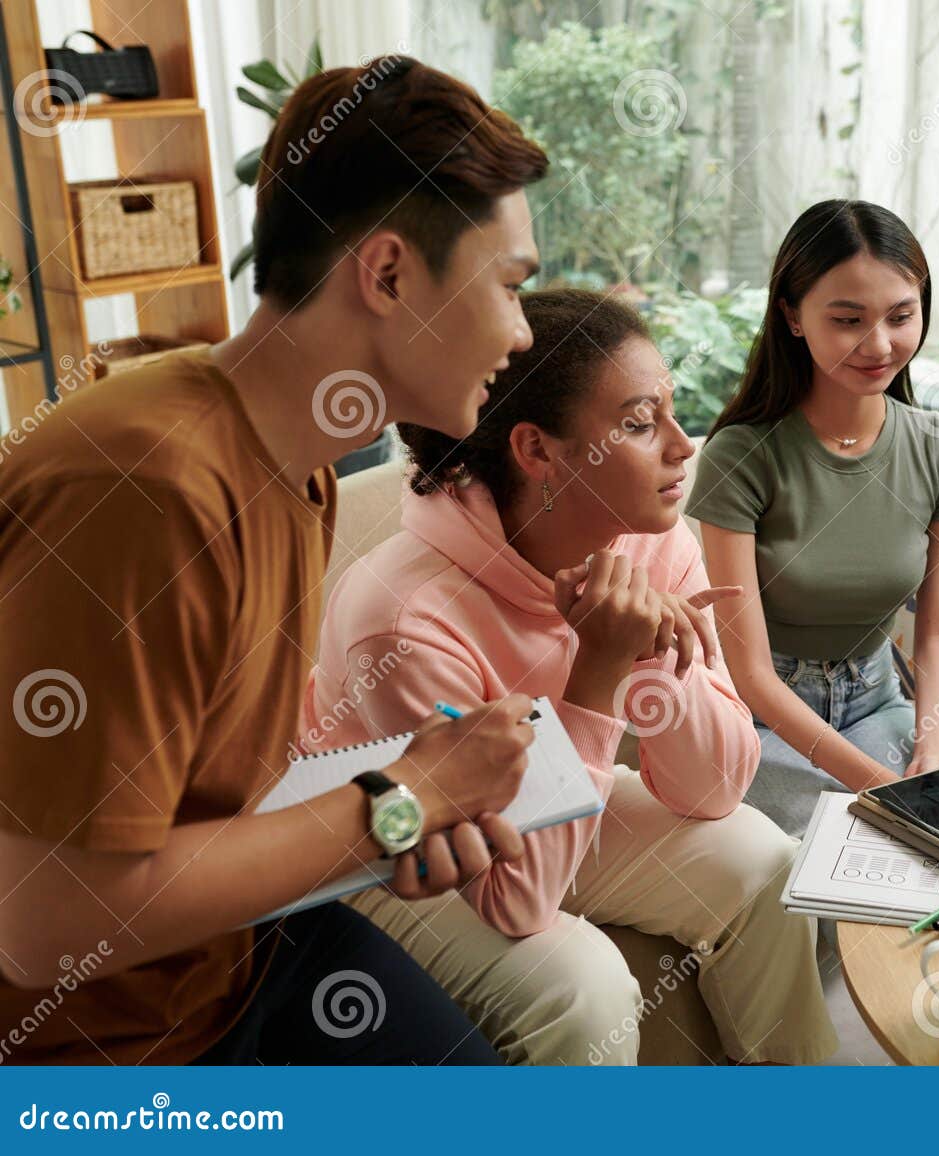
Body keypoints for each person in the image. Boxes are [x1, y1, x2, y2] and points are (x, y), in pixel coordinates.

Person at [0, 58, 550, 1064]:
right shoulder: (145, 492)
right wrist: (402, 800)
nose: (521, 333)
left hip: (239, 958)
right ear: (388, 274)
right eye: (510, 285)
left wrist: (399, 816)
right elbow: (42, 925)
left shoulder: (301, 463)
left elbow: (214, 797)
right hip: (96, 1047)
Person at [300, 288, 838, 1066]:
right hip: (386, 847)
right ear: (537, 450)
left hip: (533, 803)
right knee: (583, 989)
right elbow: (516, 900)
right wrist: (598, 672)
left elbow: (715, 792)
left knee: (764, 860)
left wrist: (657, 659)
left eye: (672, 412)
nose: (683, 446)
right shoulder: (403, 620)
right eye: (640, 424)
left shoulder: (651, 538)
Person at [688, 200, 939, 836]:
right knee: (804, 858)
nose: (879, 345)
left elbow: (938, 635)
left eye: (901, 316)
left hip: (877, 703)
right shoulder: (742, 457)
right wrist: (880, 787)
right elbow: (751, 674)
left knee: (926, 854)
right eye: (848, 320)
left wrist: (931, 753)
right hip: (761, 718)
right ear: (792, 316)